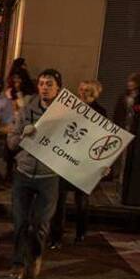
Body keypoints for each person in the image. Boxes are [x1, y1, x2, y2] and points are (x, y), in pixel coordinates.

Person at [7, 68, 64, 279]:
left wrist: (97, 167)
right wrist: (23, 134)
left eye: (49, 84)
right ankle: (18, 264)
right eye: (41, 83)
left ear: (58, 88)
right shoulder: (25, 111)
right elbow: (11, 143)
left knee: (40, 223)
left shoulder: (67, 116)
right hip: (24, 173)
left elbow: (81, 148)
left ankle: (35, 256)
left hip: (49, 177)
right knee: (21, 221)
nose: (45, 88)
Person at [50, 80, 108, 247]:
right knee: (59, 199)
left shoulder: (100, 111)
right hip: (66, 159)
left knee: (81, 200)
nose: (81, 92)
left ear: (93, 92)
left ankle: (81, 233)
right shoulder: (71, 108)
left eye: (85, 90)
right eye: (80, 89)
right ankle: (56, 236)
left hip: (84, 162)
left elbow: (101, 138)